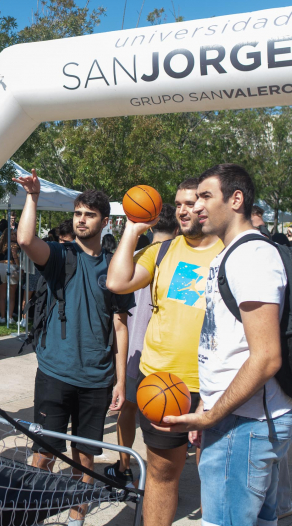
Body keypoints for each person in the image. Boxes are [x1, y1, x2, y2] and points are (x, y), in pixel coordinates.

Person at [159, 163, 292, 526]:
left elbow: (266, 357)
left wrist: (212, 415)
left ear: (236, 200)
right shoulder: (230, 253)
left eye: (206, 196)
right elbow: (228, 346)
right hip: (235, 418)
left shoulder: (251, 257)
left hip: (245, 425)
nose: (196, 205)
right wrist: (207, 402)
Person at [13, 171, 133, 526]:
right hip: (55, 371)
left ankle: (76, 517)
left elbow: (120, 326)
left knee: (85, 455)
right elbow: (25, 239)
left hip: (97, 377)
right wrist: (32, 197)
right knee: (44, 451)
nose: (81, 219)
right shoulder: (59, 255)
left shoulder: (115, 268)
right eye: (78, 213)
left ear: (104, 221)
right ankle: (33, 512)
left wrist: (121, 382)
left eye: (89, 214)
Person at [106, 179, 223, 525]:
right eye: (179, 204)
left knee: (214, 477)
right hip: (162, 384)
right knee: (161, 473)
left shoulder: (229, 252)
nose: (184, 210)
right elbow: (116, 282)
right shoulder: (162, 251)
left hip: (213, 384)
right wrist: (132, 229)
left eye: (192, 203)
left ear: (207, 205)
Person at [105, 203, 178, 490]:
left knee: (128, 409)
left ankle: (124, 467)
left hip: (132, 347)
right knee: (165, 417)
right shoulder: (181, 261)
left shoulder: (133, 257)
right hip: (165, 350)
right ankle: (161, 475)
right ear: (178, 229)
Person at [0, 231, 22, 323]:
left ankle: (2, 317)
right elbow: (16, 258)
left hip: (1, 267)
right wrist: (17, 262)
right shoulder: (15, 246)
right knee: (12, 295)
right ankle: (10, 317)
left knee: (2, 295)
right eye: (12, 234)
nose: (14, 236)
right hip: (11, 266)